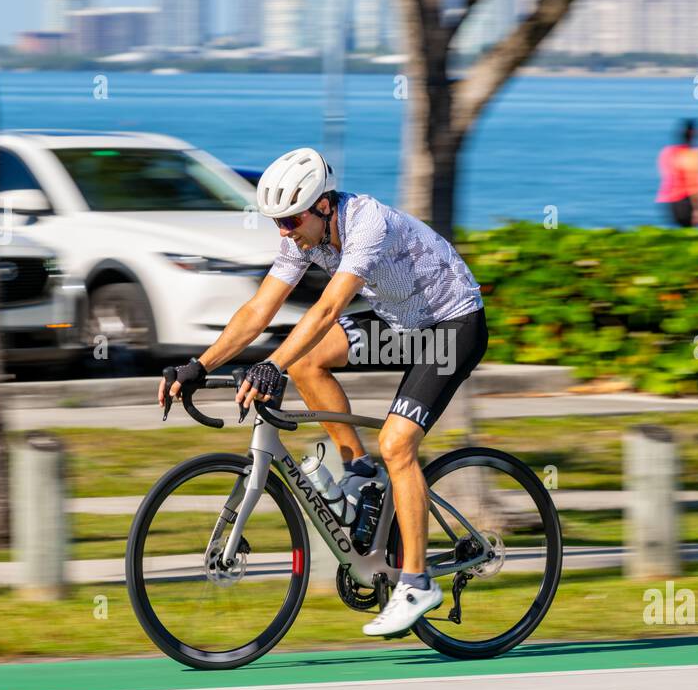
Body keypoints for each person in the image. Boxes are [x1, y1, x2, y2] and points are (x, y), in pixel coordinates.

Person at [158, 147, 488, 637]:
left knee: (398, 444)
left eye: (291, 220)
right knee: (309, 361)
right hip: (402, 323)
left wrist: (272, 365)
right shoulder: (302, 238)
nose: (284, 232)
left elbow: (327, 310)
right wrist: (198, 365)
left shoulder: (367, 224)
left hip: (451, 326)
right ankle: (360, 471)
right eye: (277, 223)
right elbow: (258, 310)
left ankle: (418, 582)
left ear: (324, 206)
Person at [655, 119, 698, 227]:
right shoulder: (695, 154)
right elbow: (695, 184)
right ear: (694, 134)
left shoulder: (667, 152)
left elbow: (666, 175)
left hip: (669, 201)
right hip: (686, 202)